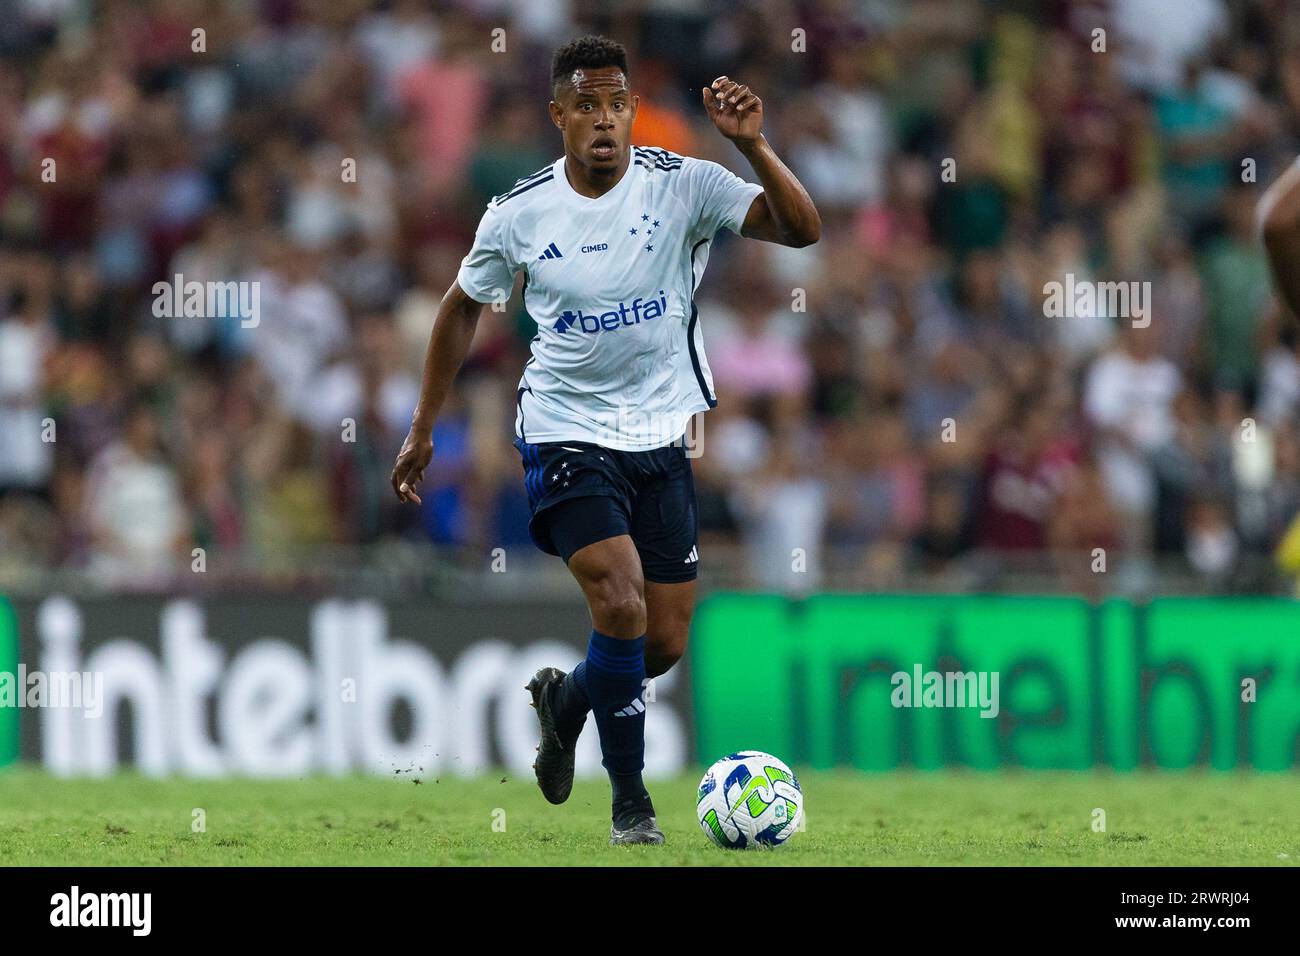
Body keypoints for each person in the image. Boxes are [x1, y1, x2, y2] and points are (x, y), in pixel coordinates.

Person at [390, 35, 820, 844]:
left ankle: (567, 701)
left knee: (656, 644)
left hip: (663, 437)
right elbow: (459, 307)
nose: (602, 119)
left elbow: (800, 230)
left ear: (631, 111)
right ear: (559, 116)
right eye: (584, 104)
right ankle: (632, 807)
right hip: (564, 430)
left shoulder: (684, 184)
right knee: (619, 600)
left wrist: (754, 145)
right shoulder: (518, 212)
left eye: (614, 103)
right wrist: (422, 429)